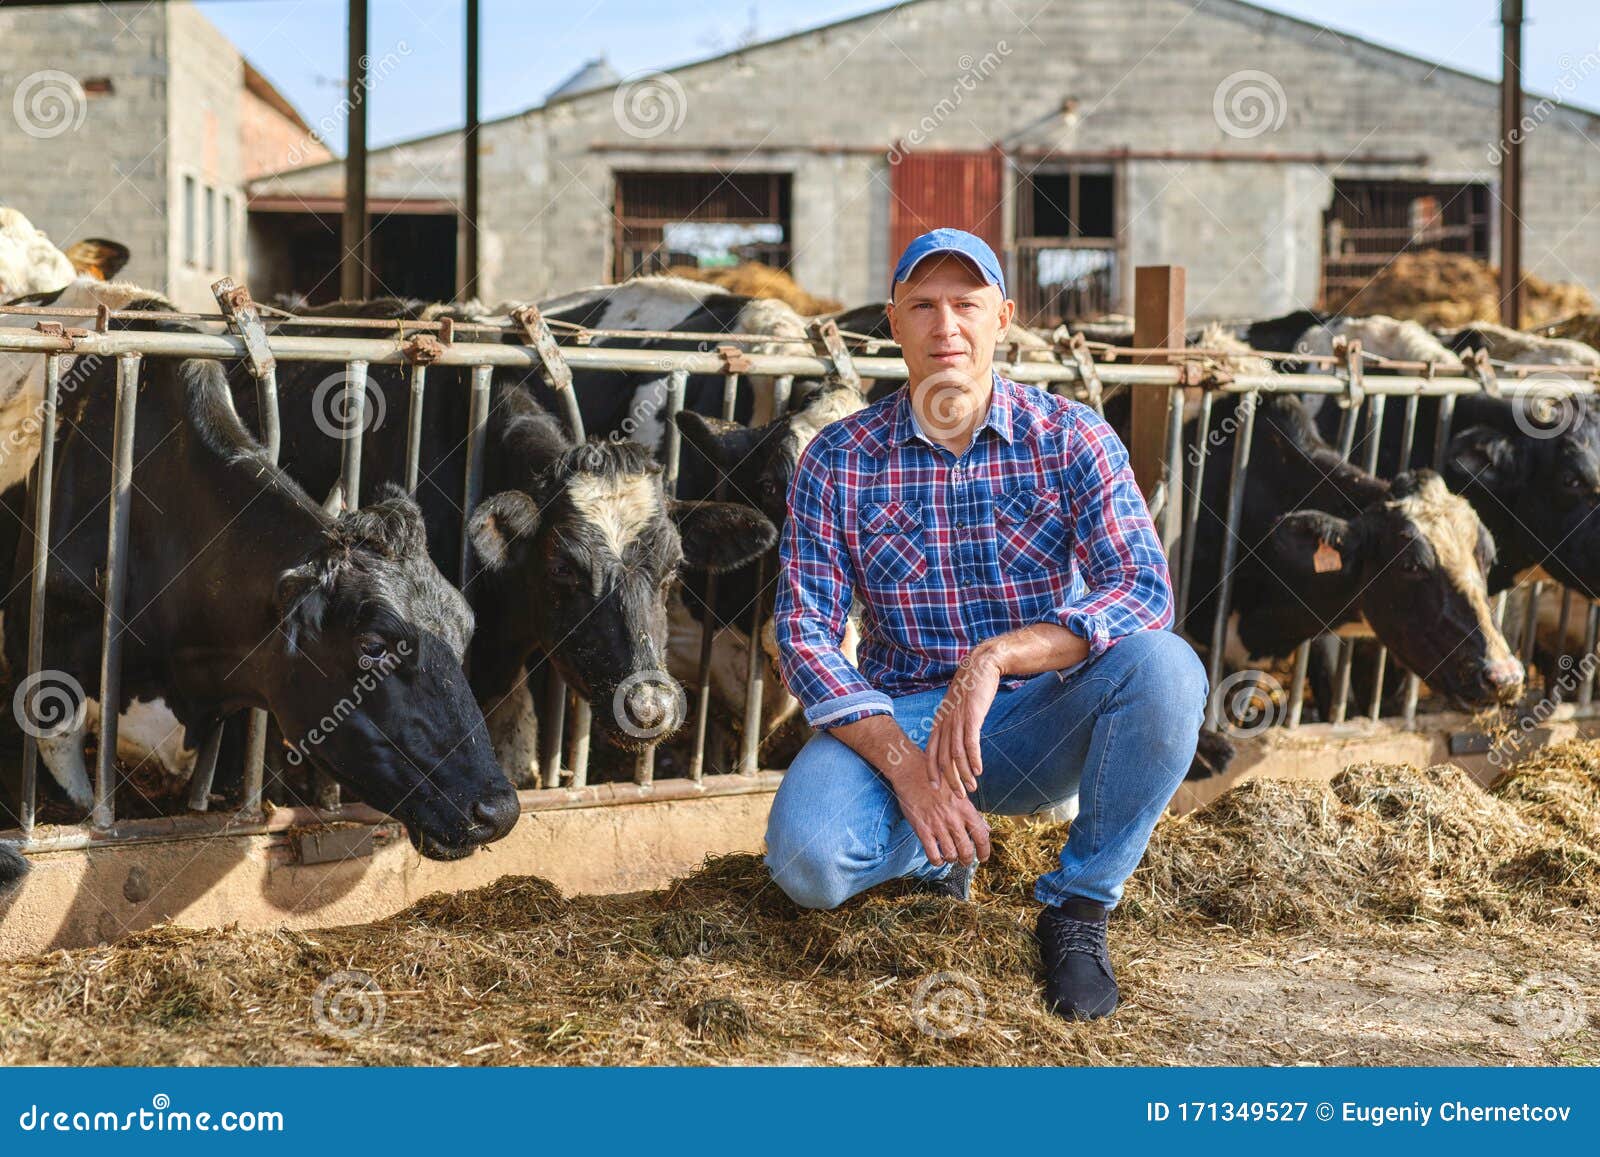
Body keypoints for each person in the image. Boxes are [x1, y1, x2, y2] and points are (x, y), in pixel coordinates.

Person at [765, 227, 1207, 1020]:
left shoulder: (1072, 435)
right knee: (807, 862)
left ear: (1003, 317)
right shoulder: (838, 458)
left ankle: (1078, 906)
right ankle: (936, 853)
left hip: (1041, 716)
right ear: (893, 324)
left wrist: (997, 657)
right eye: (922, 307)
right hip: (901, 718)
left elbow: (1140, 589)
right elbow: (804, 634)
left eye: (966, 304)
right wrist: (908, 769)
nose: (946, 327)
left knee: (1167, 667)